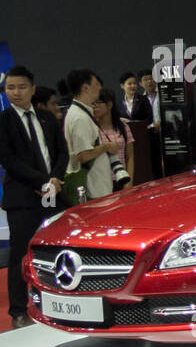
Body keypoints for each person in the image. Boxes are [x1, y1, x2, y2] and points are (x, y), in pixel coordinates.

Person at [0, 67, 68, 328]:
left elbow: (62, 152)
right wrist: (41, 182)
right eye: (9, 88)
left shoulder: (47, 118)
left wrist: (55, 180)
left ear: (31, 88)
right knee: (20, 253)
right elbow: (8, 159)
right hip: (23, 198)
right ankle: (18, 311)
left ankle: (56, 299)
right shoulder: (3, 120)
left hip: (52, 194)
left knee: (54, 248)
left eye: (20, 87)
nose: (15, 92)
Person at [62, 69, 117, 201]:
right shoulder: (79, 117)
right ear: (86, 87)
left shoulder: (82, 112)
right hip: (93, 190)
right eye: (96, 83)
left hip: (97, 186)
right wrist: (106, 147)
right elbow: (83, 155)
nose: (100, 87)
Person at [93, 89, 134, 190]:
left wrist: (129, 181)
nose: (94, 106)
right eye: (92, 103)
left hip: (121, 179)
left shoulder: (123, 127)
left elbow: (130, 156)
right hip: (100, 183)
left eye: (97, 103)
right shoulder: (92, 129)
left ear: (109, 105)